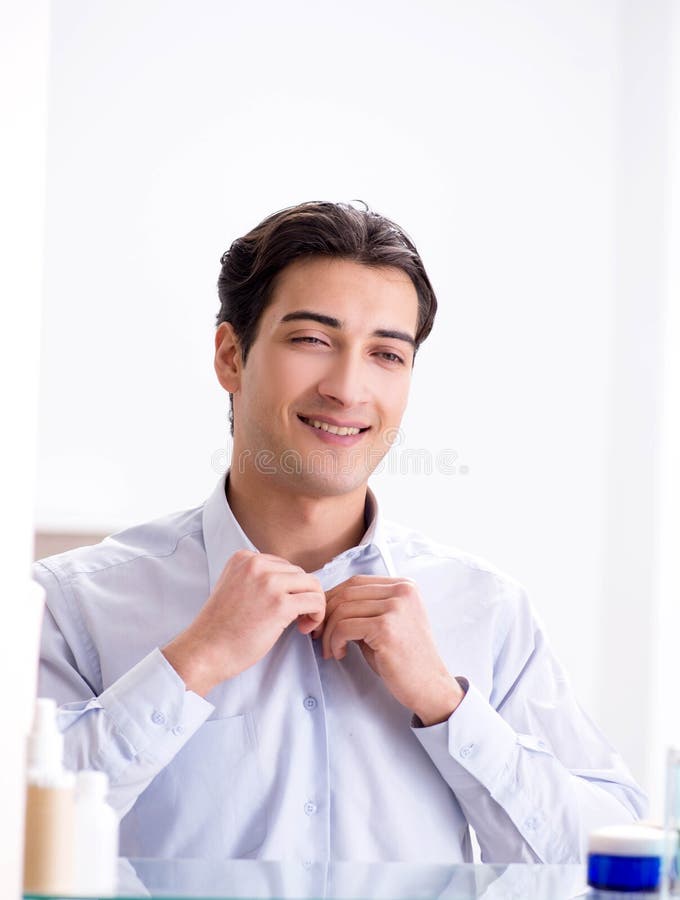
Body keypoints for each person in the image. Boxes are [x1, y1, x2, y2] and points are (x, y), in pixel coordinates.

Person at [33, 201, 645, 865]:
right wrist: (192, 664)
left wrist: (446, 707)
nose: (349, 388)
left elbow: (611, 855)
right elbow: (16, 837)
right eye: (312, 340)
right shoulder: (73, 604)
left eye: (386, 353)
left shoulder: (488, 609)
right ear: (231, 356)